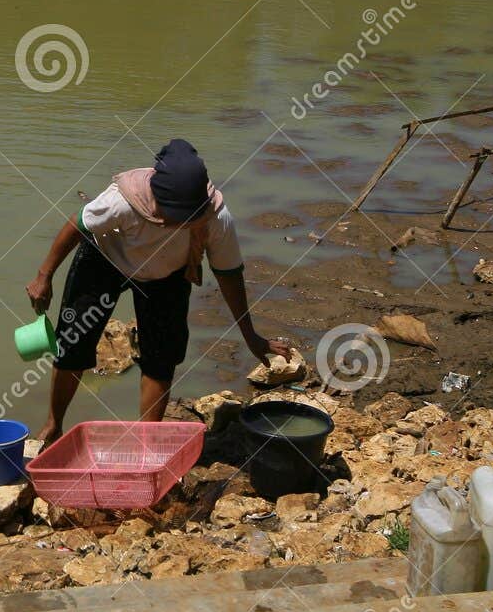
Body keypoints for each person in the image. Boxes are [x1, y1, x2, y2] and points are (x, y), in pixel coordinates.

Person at [24, 138, 296, 449]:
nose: (174, 224)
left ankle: (146, 441)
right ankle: (54, 424)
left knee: (161, 357)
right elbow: (77, 225)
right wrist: (44, 276)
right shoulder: (123, 201)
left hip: (167, 275)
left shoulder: (216, 219)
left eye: (185, 219)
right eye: (171, 216)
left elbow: (229, 276)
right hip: (105, 260)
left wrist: (250, 335)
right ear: (156, 198)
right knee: (72, 342)